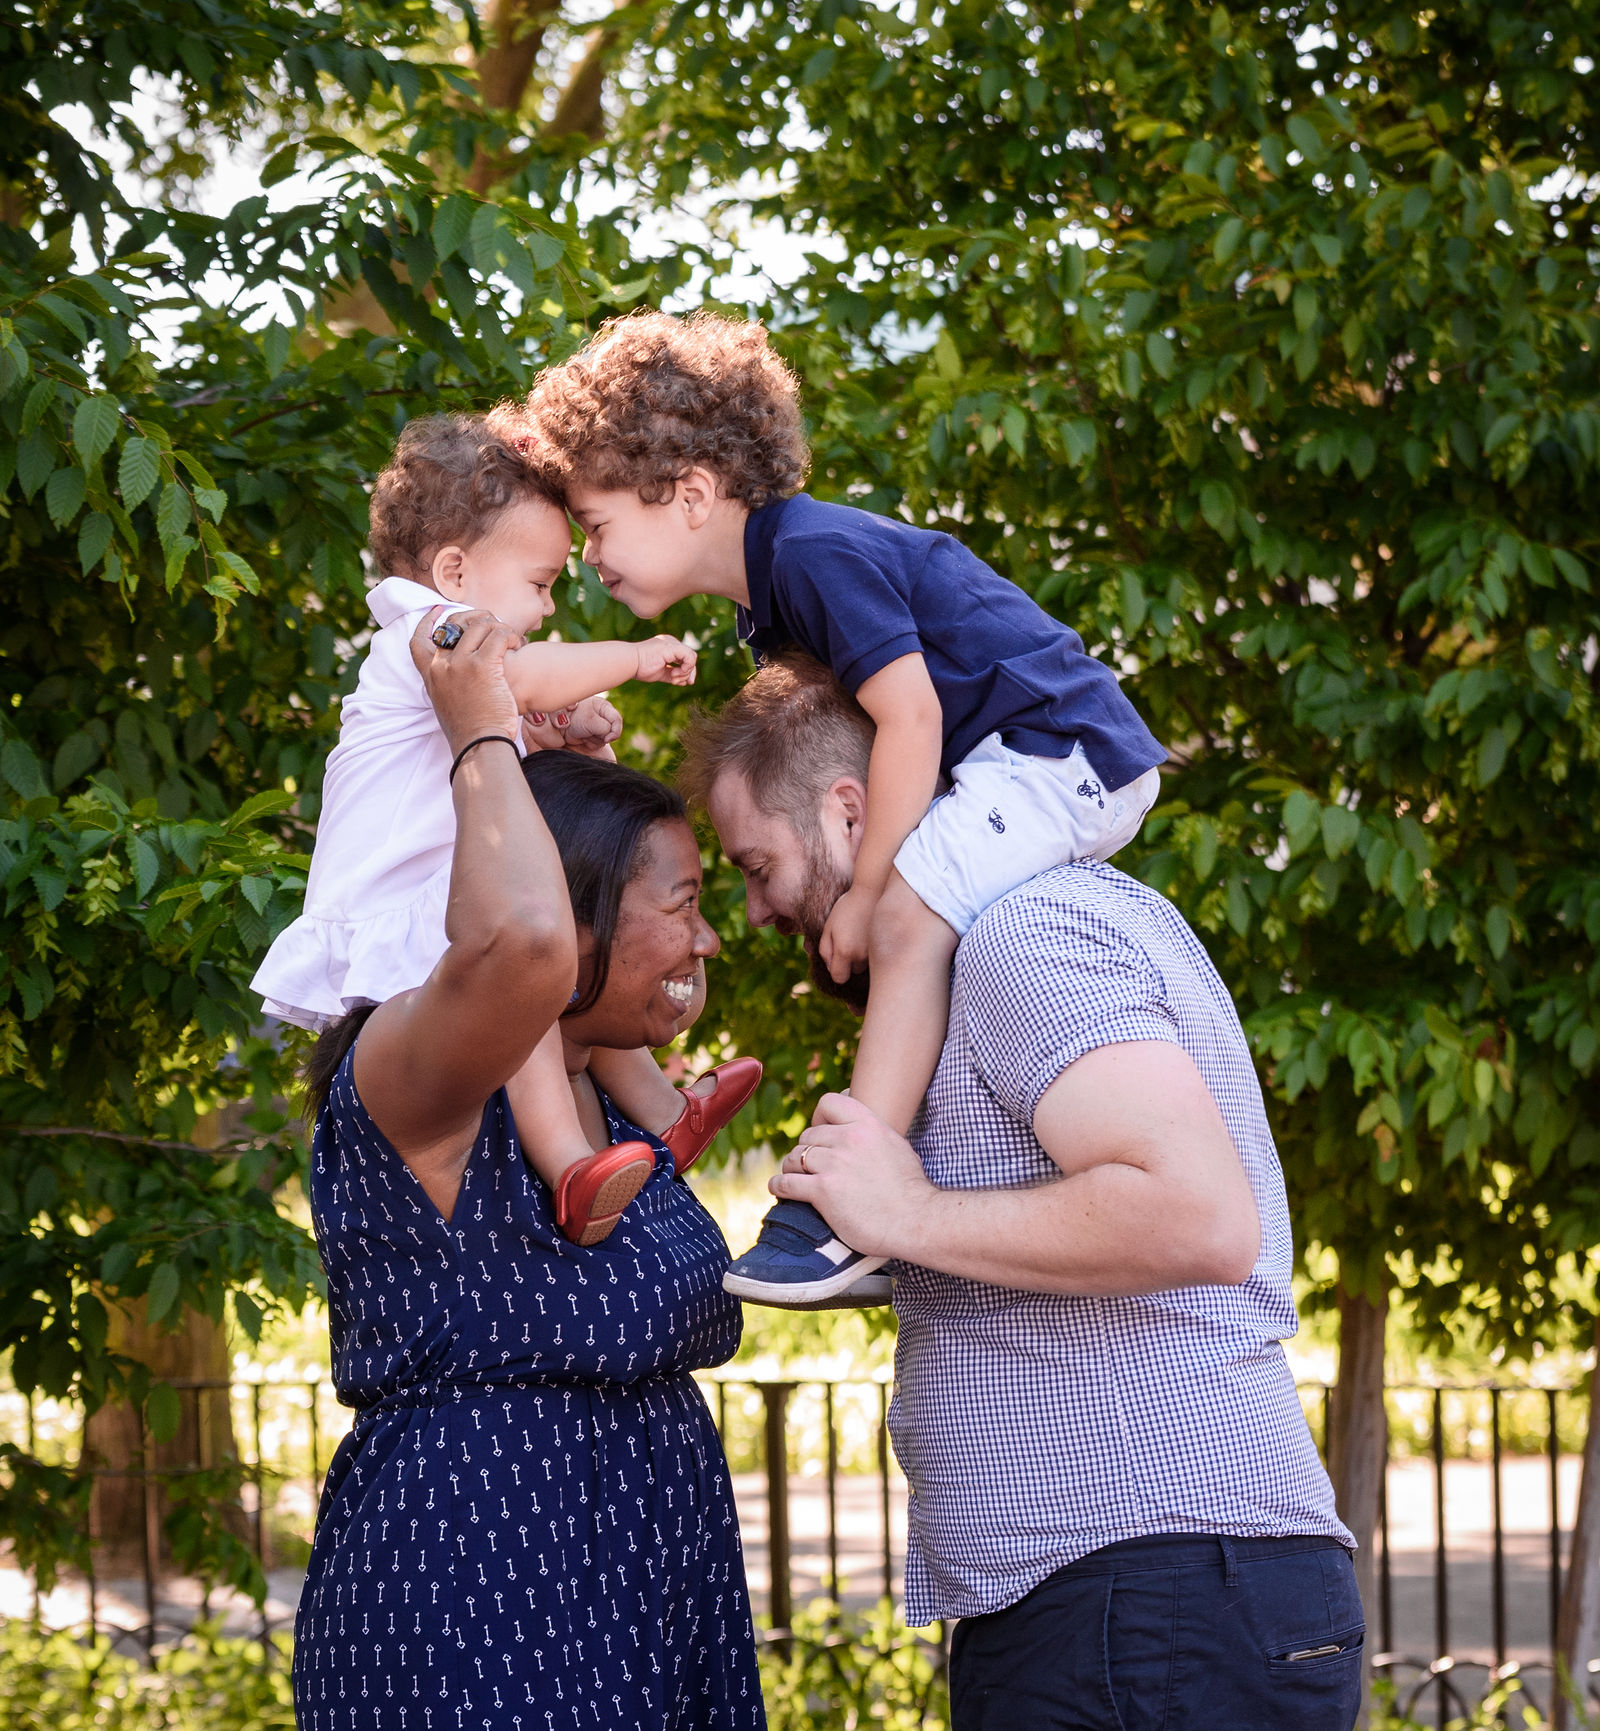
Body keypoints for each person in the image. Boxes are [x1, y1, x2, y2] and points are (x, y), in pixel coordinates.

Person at [677, 652, 1364, 1731]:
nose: (758, 910)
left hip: (1146, 1593)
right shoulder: (977, 953)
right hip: (1124, 1598)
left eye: (757, 864)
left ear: (846, 810)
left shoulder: (1023, 937)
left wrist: (903, 1215)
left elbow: (1195, 1214)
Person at [522, 309, 1166, 1303]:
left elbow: (907, 718)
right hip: (1017, 757)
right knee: (917, 932)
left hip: (1059, 748)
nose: (590, 557)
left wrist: (869, 890)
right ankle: (888, 1193)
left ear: (689, 494)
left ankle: (841, 1217)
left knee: (907, 916)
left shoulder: (811, 553)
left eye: (598, 525)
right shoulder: (768, 603)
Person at [291, 608, 764, 1731]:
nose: (706, 941)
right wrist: (480, 733)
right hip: (477, 1604)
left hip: (654, 1592)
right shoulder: (418, 1079)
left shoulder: (604, 1089)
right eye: (683, 905)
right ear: (579, 907)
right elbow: (519, 949)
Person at [253, 412, 759, 1244]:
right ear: (455, 568)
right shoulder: (430, 631)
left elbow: (499, 732)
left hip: (443, 893)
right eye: (539, 581)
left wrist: (557, 729)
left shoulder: (442, 655)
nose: (549, 603)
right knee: (534, 996)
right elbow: (510, 680)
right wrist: (632, 657)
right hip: (400, 903)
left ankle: (670, 1116)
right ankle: (568, 1167)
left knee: (567, 981)